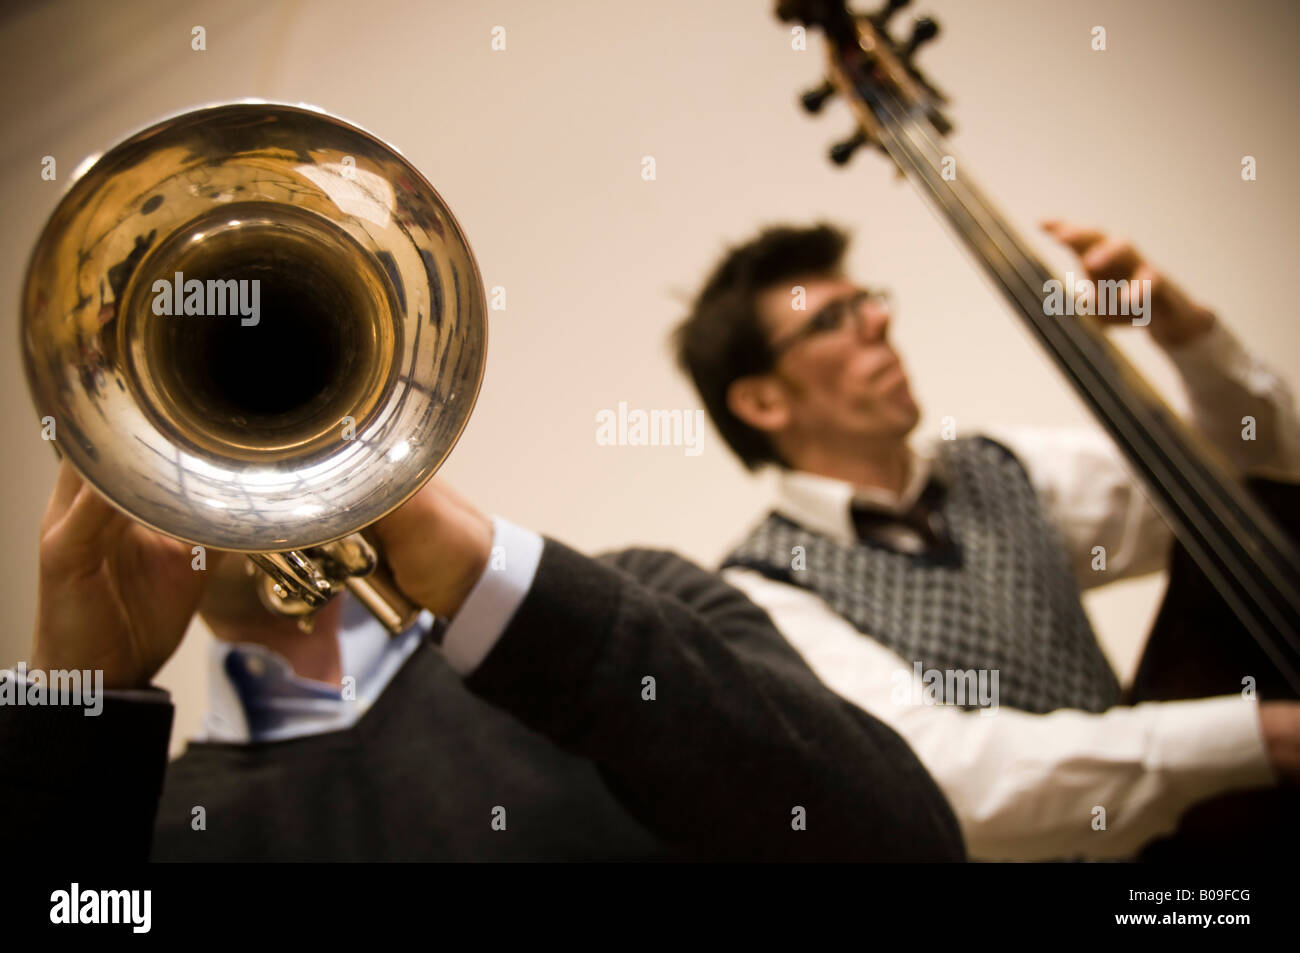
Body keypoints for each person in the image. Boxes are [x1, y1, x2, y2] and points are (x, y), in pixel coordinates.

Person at [672, 219, 1300, 860]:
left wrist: (1182, 332)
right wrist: (1261, 735)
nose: (879, 323)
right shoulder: (766, 592)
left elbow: (1249, 480)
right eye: (830, 320)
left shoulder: (996, 467)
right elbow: (952, 782)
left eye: (867, 301)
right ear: (763, 403)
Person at [0, 461, 963, 862]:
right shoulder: (152, 828)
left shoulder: (642, 597)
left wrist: (495, 584)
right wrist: (80, 717)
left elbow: (907, 842)